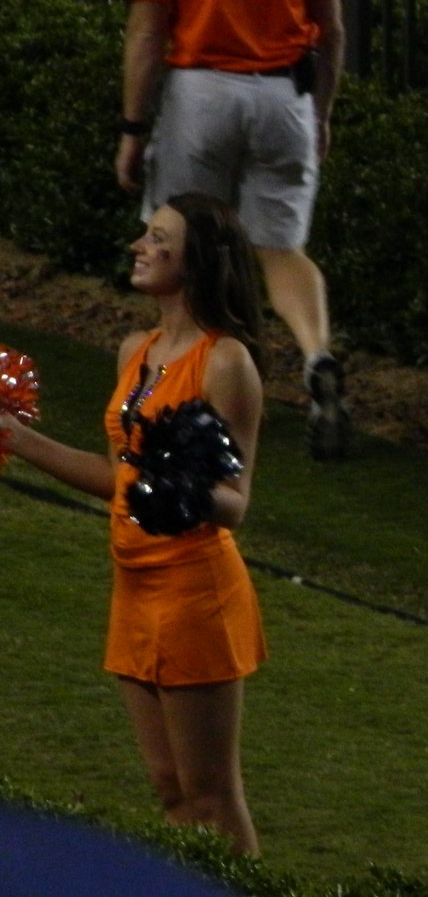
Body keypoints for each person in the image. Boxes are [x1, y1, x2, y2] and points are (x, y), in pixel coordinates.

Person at [0, 192, 268, 854]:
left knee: (212, 797)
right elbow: (116, 476)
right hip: (134, 587)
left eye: (157, 238)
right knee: (171, 790)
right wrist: (15, 437)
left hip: (194, 592)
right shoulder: (135, 351)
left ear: (195, 261)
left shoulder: (225, 362)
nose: (138, 247)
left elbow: (234, 503)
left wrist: (179, 486)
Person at [115, 0, 350, 460]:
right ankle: (317, 356)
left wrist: (132, 127)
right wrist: (322, 114)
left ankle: (198, 380)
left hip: (201, 94)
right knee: (282, 250)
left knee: (182, 247)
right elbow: (331, 28)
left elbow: (147, 31)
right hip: (285, 97)